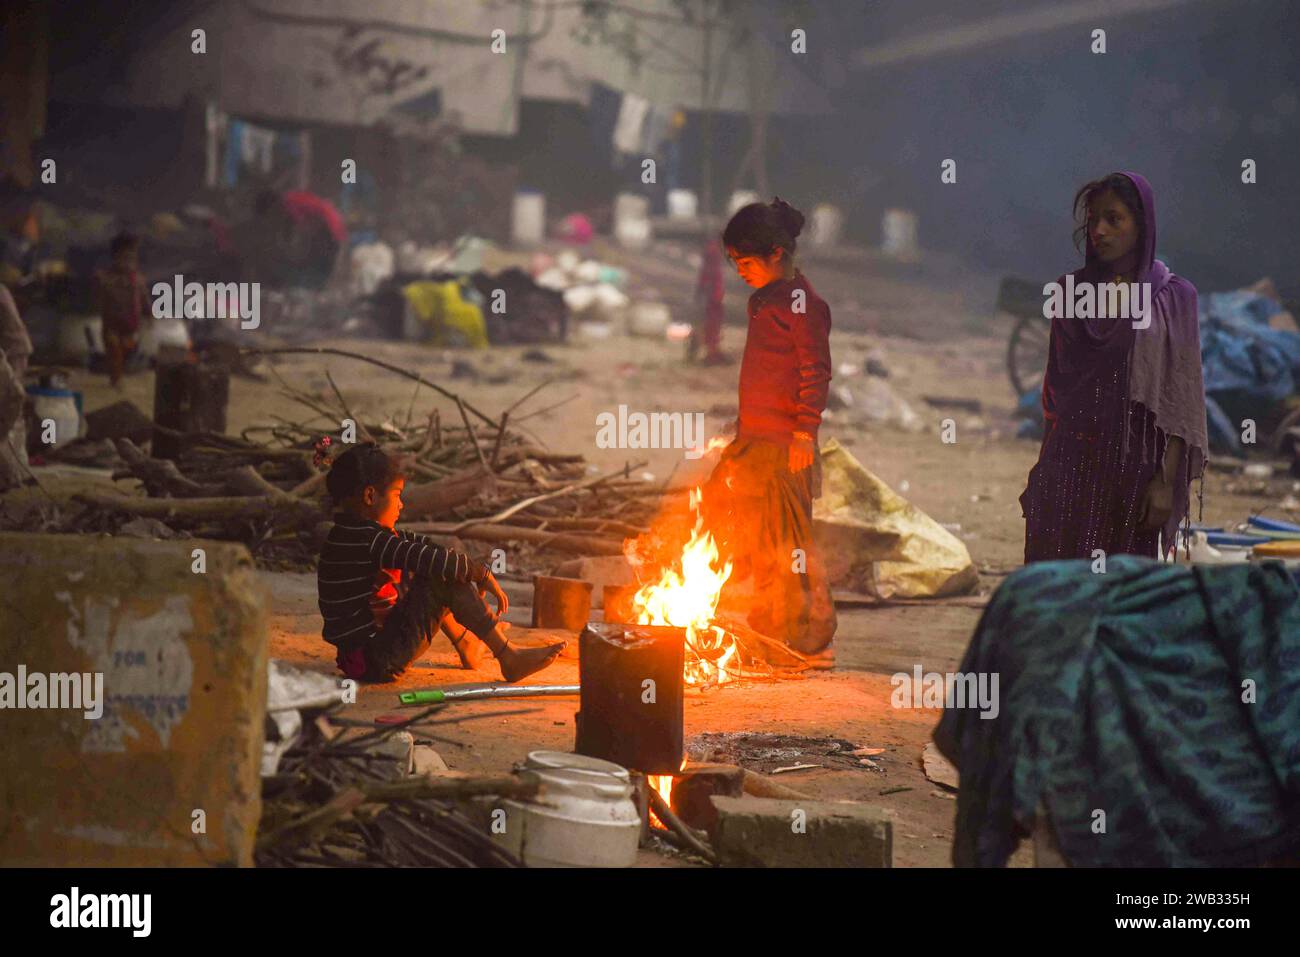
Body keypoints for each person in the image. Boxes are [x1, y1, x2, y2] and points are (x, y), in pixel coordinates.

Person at [1021, 171, 1207, 562]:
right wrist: (1043, 474)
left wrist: (1164, 482)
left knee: (1118, 599)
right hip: (1068, 467)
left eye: (1113, 219)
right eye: (1093, 221)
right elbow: (1056, 397)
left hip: (1131, 476)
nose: (1099, 231)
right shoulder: (1069, 293)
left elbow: (1180, 400)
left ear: (1142, 225)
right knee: (1057, 593)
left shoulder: (1174, 298)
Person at [702, 197, 837, 661]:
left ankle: (807, 635)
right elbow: (762, 370)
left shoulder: (806, 305)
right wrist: (741, 424)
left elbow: (814, 371)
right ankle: (765, 625)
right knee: (740, 522)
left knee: (789, 544)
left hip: (785, 446)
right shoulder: (763, 300)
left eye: (745, 261)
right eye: (735, 262)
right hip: (754, 439)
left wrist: (804, 433)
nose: (740, 270)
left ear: (776, 253)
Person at [318, 442, 566, 683]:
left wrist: (471, 571)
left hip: (362, 658)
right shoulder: (369, 540)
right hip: (376, 660)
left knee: (437, 566)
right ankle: (508, 656)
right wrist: (479, 574)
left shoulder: (352, 534)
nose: (401, 505)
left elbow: (423, 548)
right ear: (370, 496)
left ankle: (468, 643)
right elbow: (431, 560)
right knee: (441, 574)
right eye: (396, 495)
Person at [93, 232, 150, 389]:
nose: (128, 262)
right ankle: (116, 380)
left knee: (126, 350)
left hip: (130, 325)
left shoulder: (138, 280)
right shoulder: (105, 278)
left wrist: (149, 314)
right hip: (111, 324)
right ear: (115, 257)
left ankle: (119, 374)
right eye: (124, 258)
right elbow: (97, 298)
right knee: (114, 351)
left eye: (132, 258)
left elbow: (144, 300)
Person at [0, 283, 31, 490]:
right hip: (12, 349)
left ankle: (15, 471)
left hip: (13, 349)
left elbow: (15, 395)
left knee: (12, 404)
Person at [689, 236, 730, 365]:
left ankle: (711, 351)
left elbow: (706, 275)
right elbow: (709, 276)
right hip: (713, 296)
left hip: (712, 295)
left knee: (711, 325)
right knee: (711, 325)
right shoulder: (713, 252)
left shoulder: (712, 252)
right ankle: (711, 353)